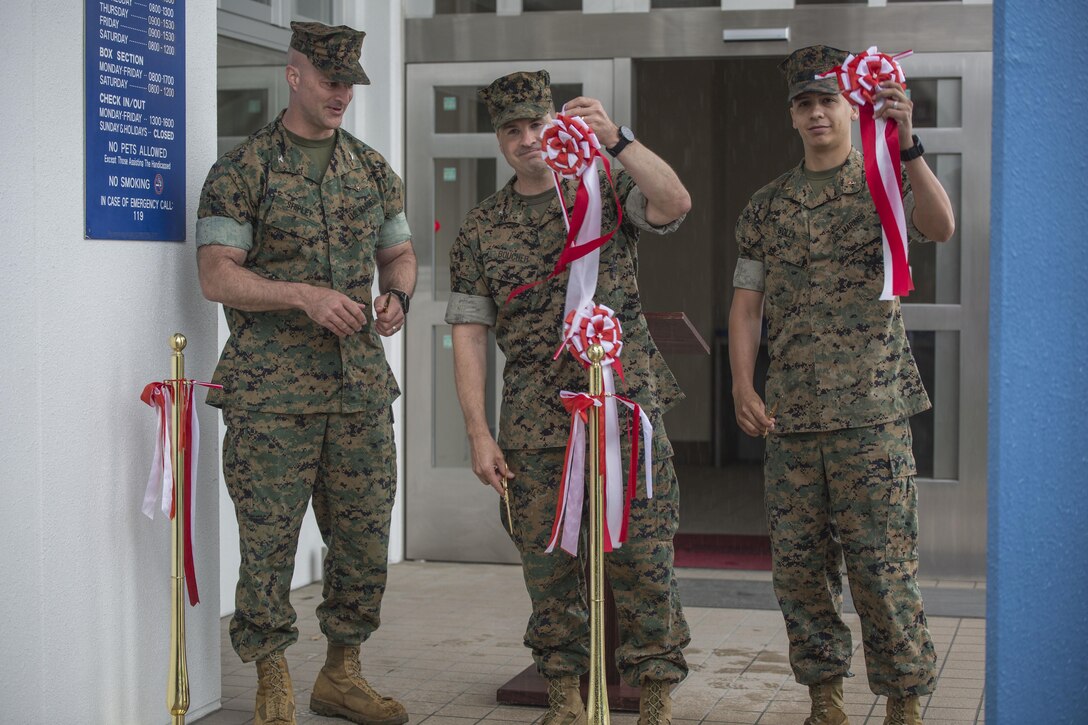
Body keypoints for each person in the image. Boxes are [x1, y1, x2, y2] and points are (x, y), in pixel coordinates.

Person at [445, 69, 692, 725]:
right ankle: (564, 692)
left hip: (623, 406)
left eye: (537, 124)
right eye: (512, 129)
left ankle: (656, 697)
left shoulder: (604, 191)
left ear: (557, 122)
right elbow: (468, 334)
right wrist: (477, 432)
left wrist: (618, 140)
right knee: (548, 568)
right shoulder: (480, 230)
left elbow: (674, 202)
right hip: (532, 419)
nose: (528, 139)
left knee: (643, 558)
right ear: (498, 137)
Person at [195, 22, 416, 725]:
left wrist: (396, 297)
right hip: (271, 397)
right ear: (293, 75)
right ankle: (271, 677)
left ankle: (342, 673)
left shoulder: (372, 169)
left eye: (350, 81)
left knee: (363, 539)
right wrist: (303, 295)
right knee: (267, 540)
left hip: (358, 393)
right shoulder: (242, 171)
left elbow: (402, 255)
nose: (342, 93)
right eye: (330, 80)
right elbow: (215, 275)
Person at [728, 45, 956, 725]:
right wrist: (743, 382)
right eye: (805, 103)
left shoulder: (884, 180)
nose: (817, 112)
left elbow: (941, 225)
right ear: (792, 116)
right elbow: (746, 304)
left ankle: (905, 701)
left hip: (872, 414)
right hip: (791, 418)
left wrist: (909, 143)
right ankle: (825, 698)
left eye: (828, 100)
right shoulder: (767, 206)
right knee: (801, 573)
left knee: (883, 568)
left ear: (849, 106)